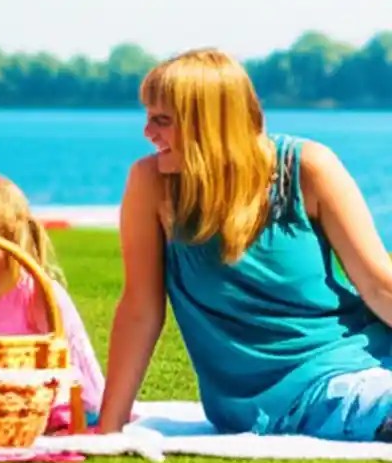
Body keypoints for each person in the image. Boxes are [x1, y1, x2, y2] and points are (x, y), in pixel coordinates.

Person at [98, 47, 392, 441]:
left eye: (162, 120)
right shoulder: (153, 186)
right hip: (296, 394)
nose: (147, 133)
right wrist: (108, 428)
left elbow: (378, 286)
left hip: (367, 360)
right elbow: (140, 311)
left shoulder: (306, 168)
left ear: (210, 124)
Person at [0, 173, 105, 426]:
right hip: (4, 403)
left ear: (9, 247)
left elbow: (64, 368)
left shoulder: (36, 295)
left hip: (67, 404)